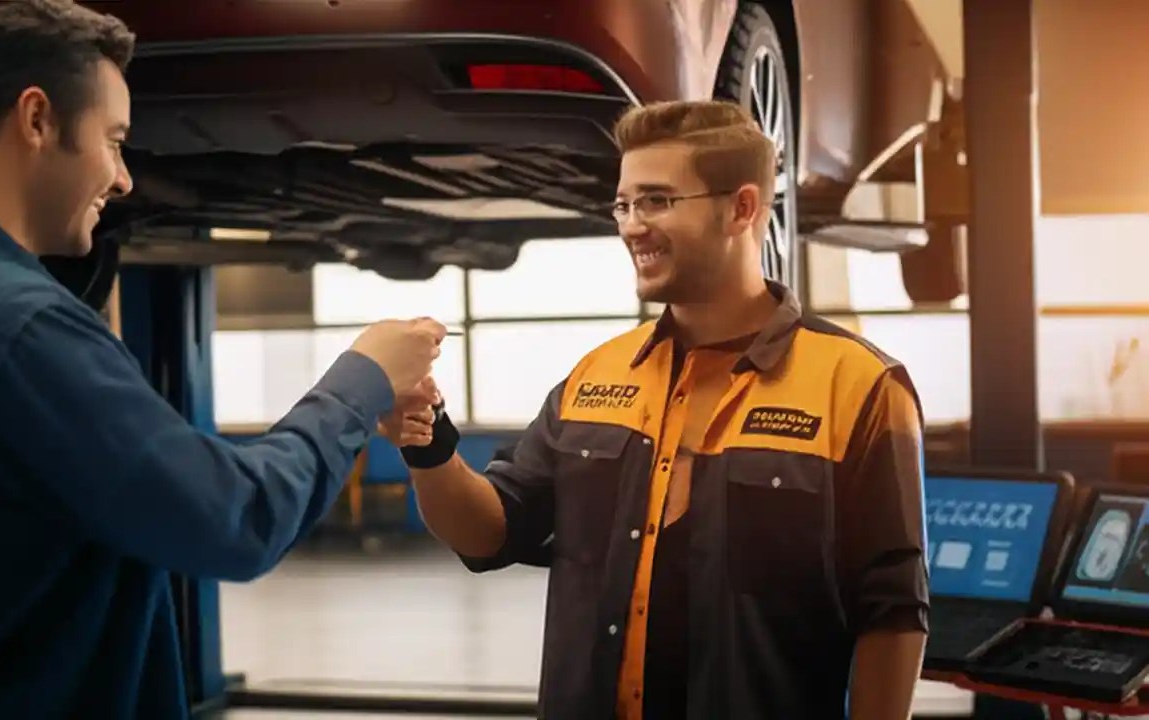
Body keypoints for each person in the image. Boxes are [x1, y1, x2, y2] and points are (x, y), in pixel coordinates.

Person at [0, 1, 447, 718]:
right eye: (113, 141)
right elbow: (237, 519)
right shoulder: (19, 328)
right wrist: (363, 378)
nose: (124, 179)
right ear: (38, 119)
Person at [381, 100, 930, 719]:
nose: (631, 225)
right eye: (624, 204)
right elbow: (490, 532)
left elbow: (892, 609)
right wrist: (426, 445)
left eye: (658, 201)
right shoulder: (596, 376)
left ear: (741, 208)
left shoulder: (858, 384)